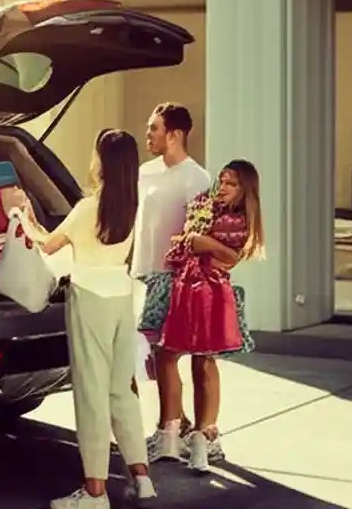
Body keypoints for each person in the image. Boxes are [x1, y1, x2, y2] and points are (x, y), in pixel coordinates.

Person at [3, 129, 156, 509]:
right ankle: (142, 478)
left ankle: (95, 493)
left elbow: (47, 243)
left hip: (89, 299)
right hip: (121, 296)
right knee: (121, 390)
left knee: (92, 394)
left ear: (104, 161)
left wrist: (20, 212)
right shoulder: (132, 206)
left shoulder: (89, 208)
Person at [151, 160, 265, 472]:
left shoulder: (236, 221)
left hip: (207, 293)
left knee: (196, 358)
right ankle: (188, 435)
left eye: (232, 184)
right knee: (180, 355)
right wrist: (193, 241)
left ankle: (196, 436)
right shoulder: (210, 209)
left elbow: (228, 257)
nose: (223, 188)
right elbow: (203, 248)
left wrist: (201, 241)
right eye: (222, 181)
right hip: (190, 288)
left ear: (245, 190)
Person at [128, 103, 214, 463]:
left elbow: (202, 234)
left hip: (178, 280)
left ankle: (188, 434)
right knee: (147, 359)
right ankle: (174, 428)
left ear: (175, 135)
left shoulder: (198, 178)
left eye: (154, 128)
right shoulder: (144, 173)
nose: (147, 134)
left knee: (176, 356)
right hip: (142, 277)